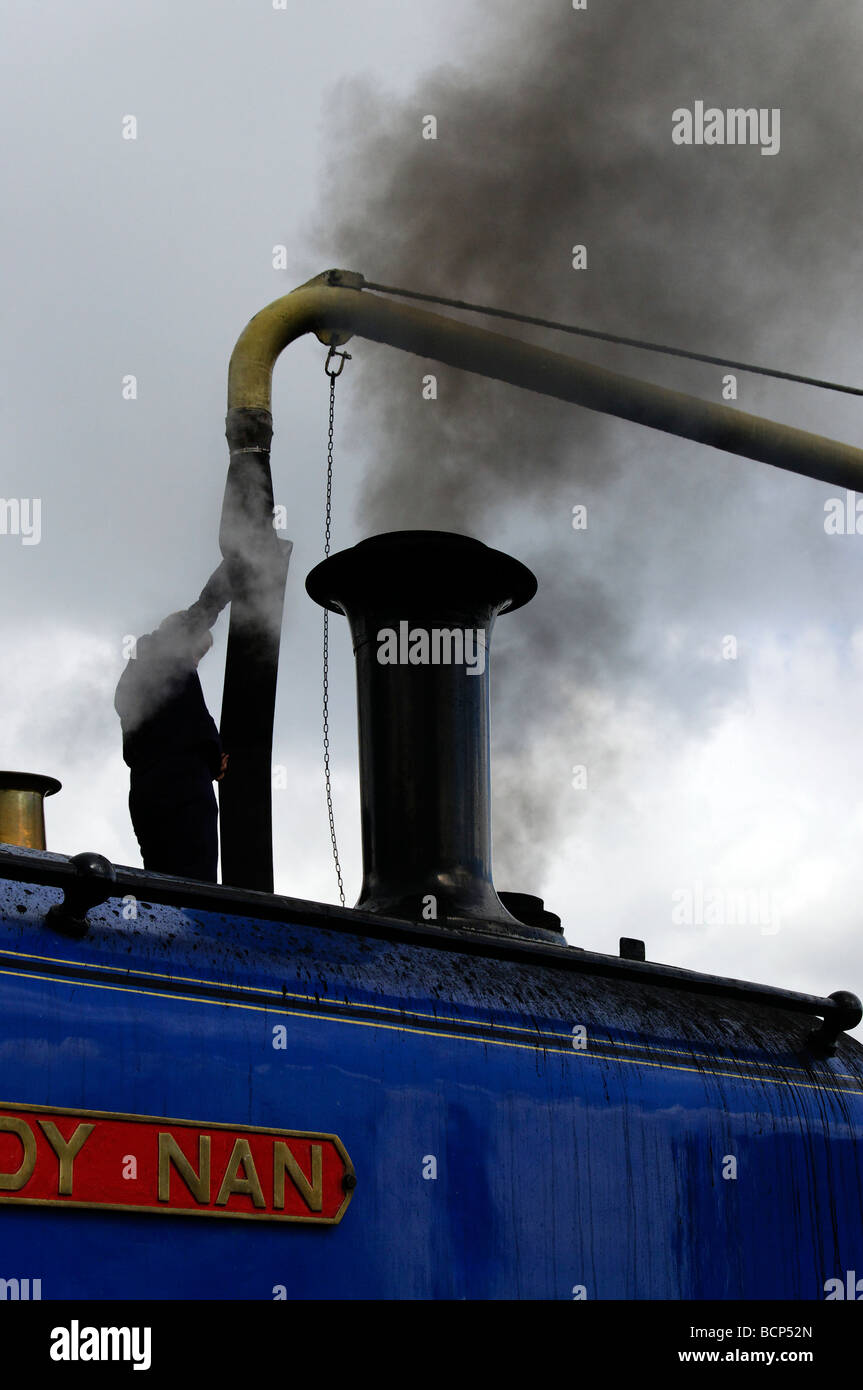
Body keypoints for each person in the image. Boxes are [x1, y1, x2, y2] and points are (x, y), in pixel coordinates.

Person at [114, 564, 231, 882]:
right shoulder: (161, 647)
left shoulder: (139, 689)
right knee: (197, 886)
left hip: (146, 792)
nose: (196, 662)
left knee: (162, 885)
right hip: (181, 791)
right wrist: (239, 562)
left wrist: (211, 756)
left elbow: (178, 726)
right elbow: (208, 605)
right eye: (197, 652)